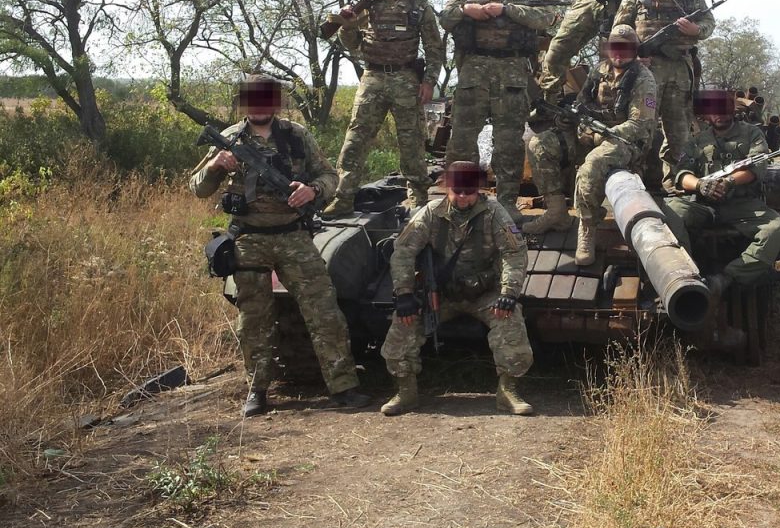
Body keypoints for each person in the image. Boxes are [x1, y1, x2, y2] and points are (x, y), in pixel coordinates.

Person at [189, 75, 371, 417]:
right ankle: (257, 391)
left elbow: (331, 177)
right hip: (249, 239)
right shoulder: (228, 139)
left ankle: (344, 386)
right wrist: (214, 167)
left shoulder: (297, 135)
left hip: (293, 235)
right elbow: (198, 187)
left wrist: (312, 191)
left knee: (325, 312)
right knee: (254, 321)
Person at [379, 161, 534, 416]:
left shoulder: (494, 213)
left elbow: (514, 253)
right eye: (457, 191)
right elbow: (404, 251)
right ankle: (406, 392)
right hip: (441, 294)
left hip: (484, 292)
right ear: (448, 189)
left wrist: (508, 292)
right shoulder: (431, 212)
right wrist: (404, 293)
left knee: (511, 324)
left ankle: (508, 391)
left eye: (469, 192)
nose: (463, 197)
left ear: (479, 191)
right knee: (403, 325)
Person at [439, 0, 559, 220]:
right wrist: (467, 10)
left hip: (512, 71)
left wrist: (507, 9)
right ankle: (463, 199)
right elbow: (445, 17)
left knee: (508, 144)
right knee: (462, 141)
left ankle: (506, 203)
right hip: (474, 71)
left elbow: (546, 17)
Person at [321, 0, 443, 218]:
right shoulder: (367, 2)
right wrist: (348, 26)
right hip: (372, 78)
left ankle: (418, 196)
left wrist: (429, 82)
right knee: (356, 138)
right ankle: (343, 197)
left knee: (411, 140)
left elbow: (435, 47)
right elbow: (352, 45)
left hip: (406, 79)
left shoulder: (418, 5)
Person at [524, 25, 658, 265]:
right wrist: (568, 118)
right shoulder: (600, 71)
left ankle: (587, 226)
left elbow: (639, 123)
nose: (619, 53)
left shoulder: (643, 78)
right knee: (540, 144)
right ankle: (556, 212)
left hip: (626, 141)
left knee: (591, 166)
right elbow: (581, 103)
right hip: (589, 133)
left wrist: (606, 133)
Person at [661, 88, 780, 288]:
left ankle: (727, 278)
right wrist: (701, 185)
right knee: (669, 214)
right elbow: (682, 174)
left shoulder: (752, 133)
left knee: (776, 229)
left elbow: (758, 167)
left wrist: (729, 182)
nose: (720, 114)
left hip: (741, 204)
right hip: (702, 203)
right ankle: (685, 275)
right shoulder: (697, 140)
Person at [613, 0, 716, 166]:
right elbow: (620, 28)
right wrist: (636, 55)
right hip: (647, 70)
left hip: (679, 69)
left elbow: (709, 20)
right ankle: (636, 182)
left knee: (679, 131)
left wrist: (696, 30)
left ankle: (678, 183)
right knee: (642, 128)